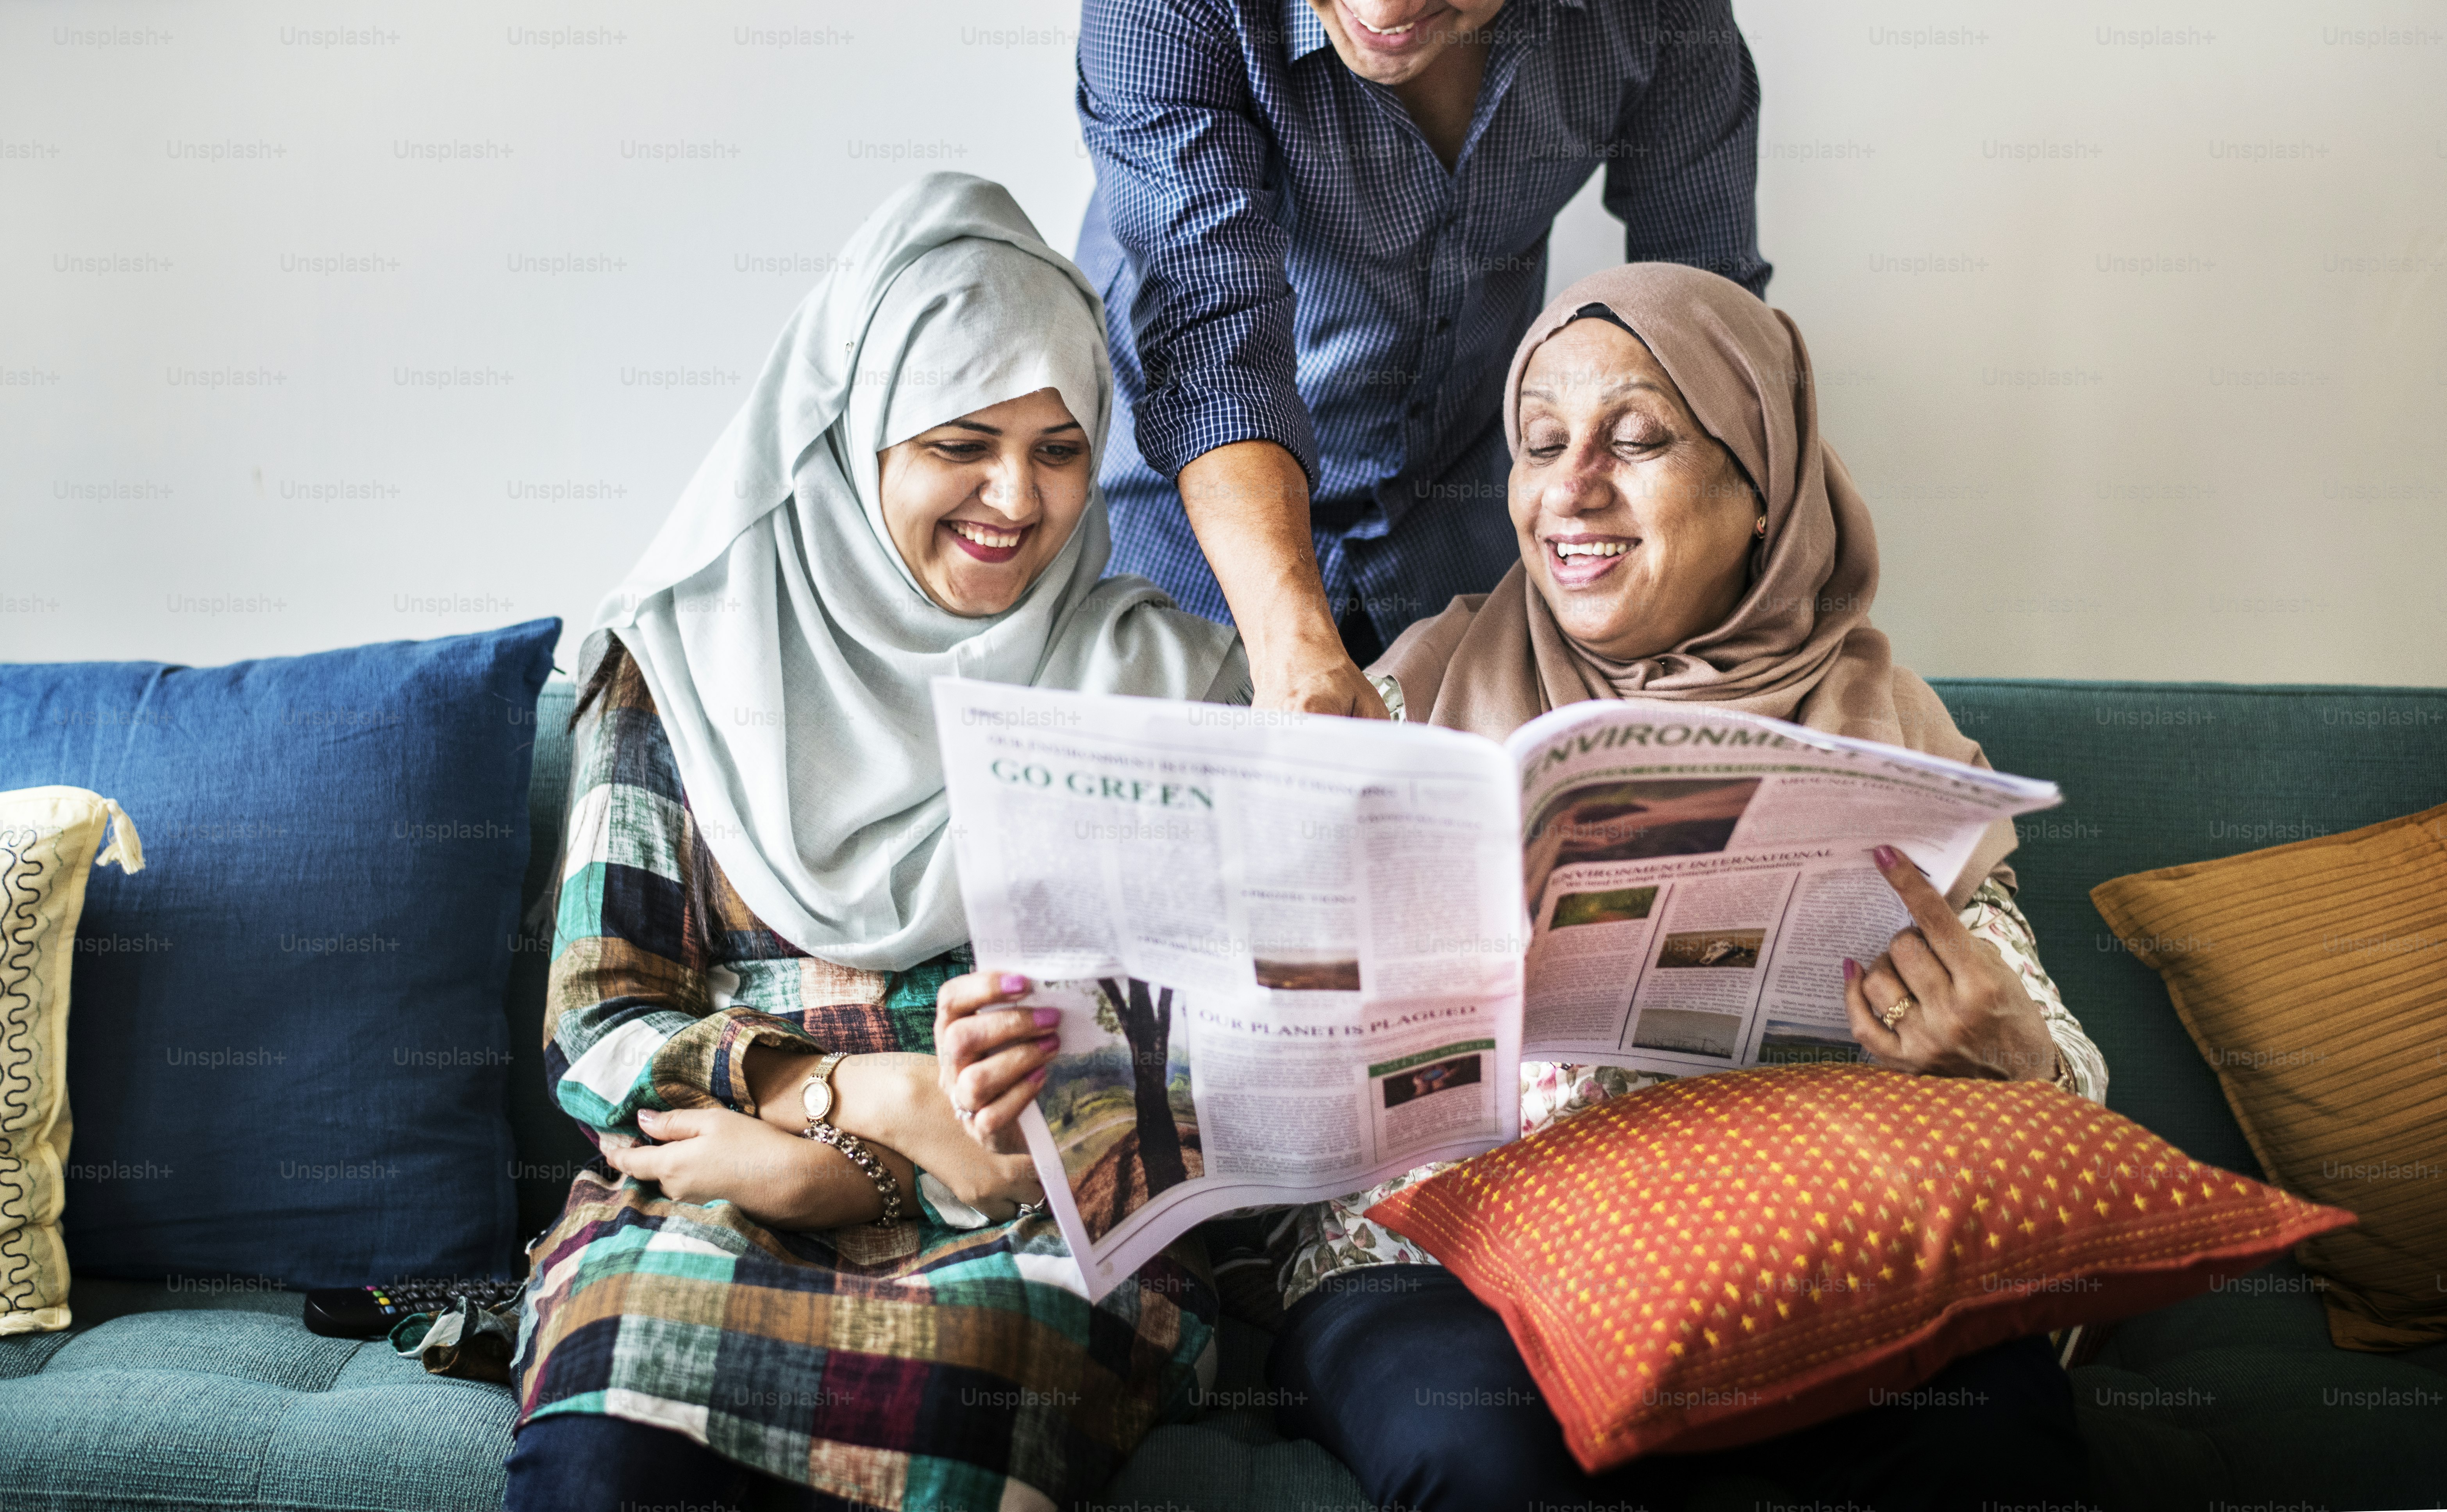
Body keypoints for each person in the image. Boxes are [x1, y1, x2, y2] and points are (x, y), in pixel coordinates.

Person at [940, 263, 2110, 1511]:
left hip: (1797, 1255)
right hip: (1438, 1265)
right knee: (1481, 1455)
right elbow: (1198, 992)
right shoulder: (1395, 704)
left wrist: (2012, 1062)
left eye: (1638, 438)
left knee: (1992, 1437)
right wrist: (1055, 1066)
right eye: (1542, 442)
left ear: (1763, 487)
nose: (1571, 487)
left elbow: (2067, 1079)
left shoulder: (1882, 735)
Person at [504, 172, 1247, 1512]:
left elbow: (1225, 1033)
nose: (1015, 498)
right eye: (962, 442)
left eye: (1062, 449)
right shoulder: (679, 660)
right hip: (721, 1176)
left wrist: (957, 1150)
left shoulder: (1165, 688)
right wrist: (860, 1118)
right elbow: (601, 1016)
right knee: (614, 1394)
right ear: (857, 438)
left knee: (984, 1369)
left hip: (1035, 1201)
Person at [1075, 0, 1772, 715]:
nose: (1385, 9)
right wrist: (1292, 642)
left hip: (1455, 521)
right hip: (1186, 529)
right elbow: (1214, 341)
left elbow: (1712, 334)